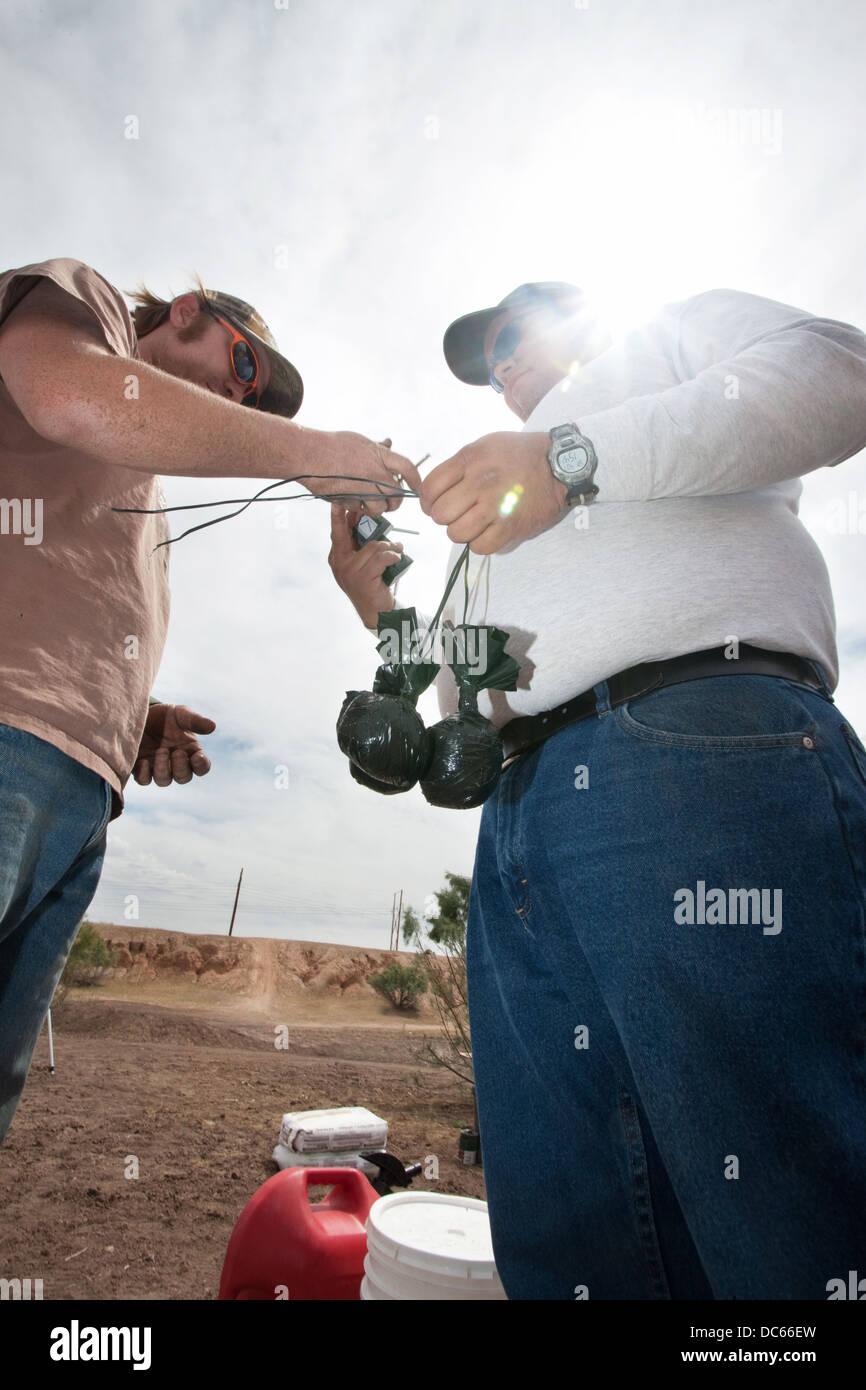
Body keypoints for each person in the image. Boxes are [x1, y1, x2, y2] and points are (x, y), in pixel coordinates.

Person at [330, 279, 866, 1299]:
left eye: (513, 334)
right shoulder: (488, 510)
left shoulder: (663, 343)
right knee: (571, 1244)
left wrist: (567, 459)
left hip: (700, 765)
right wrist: (384, 606)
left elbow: (838, 371)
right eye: (485, 358)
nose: (500, 363)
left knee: (787, 1235)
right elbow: (456, 698)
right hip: (523, 825)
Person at [0, 256, 417, 1145]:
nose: (244, 407)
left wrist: (131, 716)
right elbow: (69, 394)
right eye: (243, 371)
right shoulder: (88, 304)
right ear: (185, 312)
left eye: (256, 406)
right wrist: (315, 452)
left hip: (75, 799)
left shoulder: (146, 508)